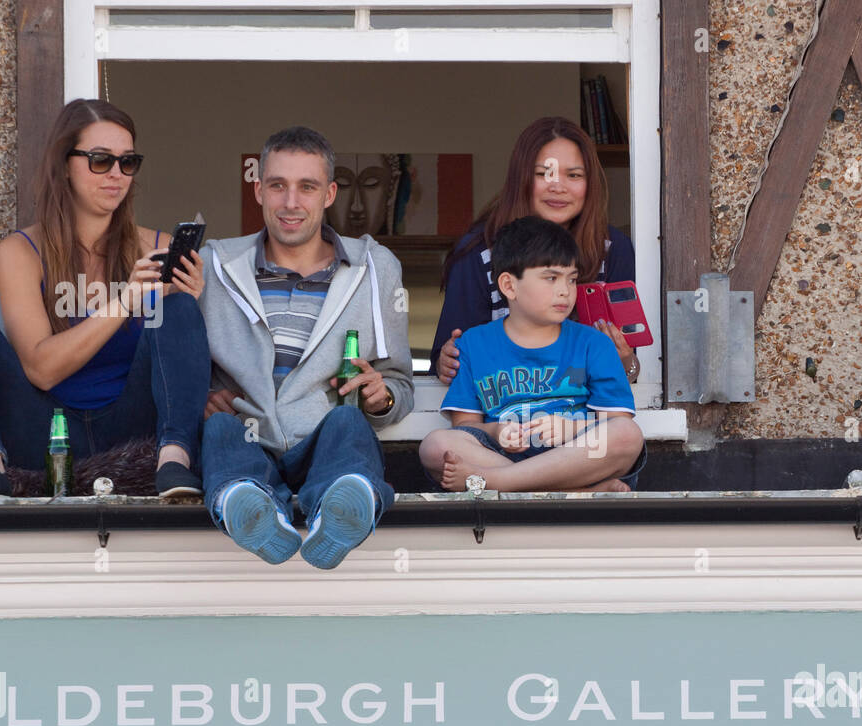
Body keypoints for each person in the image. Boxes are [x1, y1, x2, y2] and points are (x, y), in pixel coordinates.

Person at [0, 98, 210, 498]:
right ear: (65, 164)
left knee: (179, 309)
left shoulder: (157, 247)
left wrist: (186, 307)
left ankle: (173, 462)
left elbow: (174, 367)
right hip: (46, 430)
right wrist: (124, 302)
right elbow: (41, 369)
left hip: (132, 427)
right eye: (100, 160)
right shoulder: (21, 251)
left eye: (127, 162)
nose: (116, 174)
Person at [199, 126, 412, 569]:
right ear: (258, 190)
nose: (291, 202)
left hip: (325, 442)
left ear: (330, 193)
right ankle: (250, 508)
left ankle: (342, 509)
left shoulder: (376, 268)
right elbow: (170, 360)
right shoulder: (213, 267)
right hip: (247, 437)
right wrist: (197, 396)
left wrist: (382, 394)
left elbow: (400, 382)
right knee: (220, 432)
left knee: (348, 424)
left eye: (307, 187)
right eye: (278, 186)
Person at [419, 216, 644, 493]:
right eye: (551, 278)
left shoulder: (593, 343)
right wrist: (497, 433)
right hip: (501, 454)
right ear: (509, 286)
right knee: (436, 446)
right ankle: (571, 493)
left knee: (627, 436)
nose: (565, 291)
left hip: (574, 455)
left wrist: (570, 429)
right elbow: (465, 424)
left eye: (571, 279)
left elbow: (617, 420)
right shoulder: (473, 344)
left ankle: (501, 484)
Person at [430, 116, 639, 386]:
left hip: (587, 415)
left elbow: (630, 369)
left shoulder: (612, 249)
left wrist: (625, 363)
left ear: (590, 184)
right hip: (502, 415)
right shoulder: (478, 252)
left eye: (574, 175)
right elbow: (448, 362)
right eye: (543, 174)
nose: (558, 186)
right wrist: (446, 362)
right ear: (521, 180)